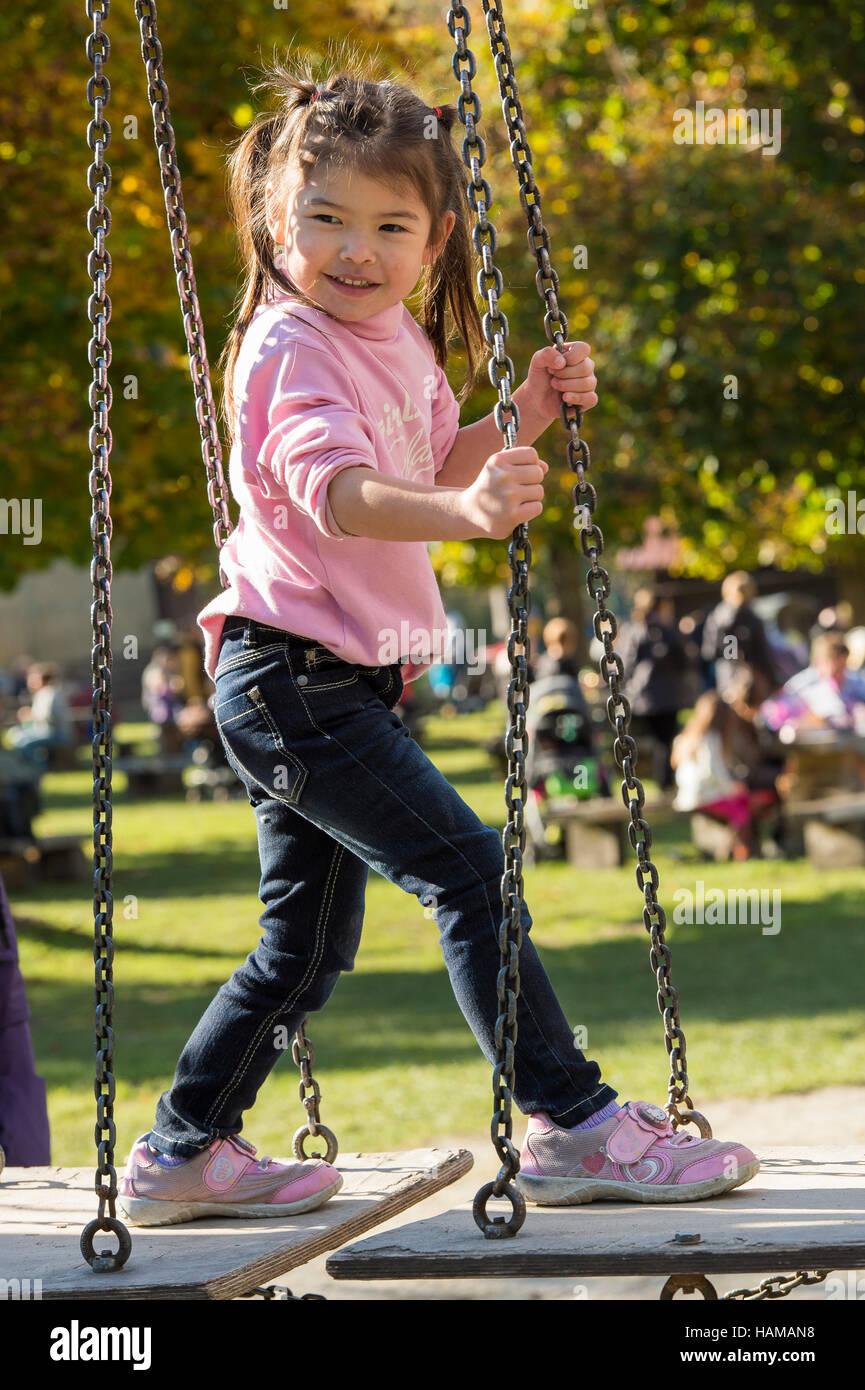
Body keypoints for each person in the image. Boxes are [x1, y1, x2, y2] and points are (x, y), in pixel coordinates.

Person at [119, 55, 757, 1225]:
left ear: (436, 237)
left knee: (302, 950)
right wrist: (466, 516)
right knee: (469, 870)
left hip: (332, 683)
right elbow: (343, 492)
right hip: (289, 680)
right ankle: (573, 1119)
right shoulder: (289, 344)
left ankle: (181, 1148)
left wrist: (519, 416)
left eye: (388, 225)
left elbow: (427, 463)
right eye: (325, 220)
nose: (354, 250)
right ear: (278, 217)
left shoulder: (394, 338)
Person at [671, 690, 779, 860]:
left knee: (747, 802)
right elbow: (711, 771)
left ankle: (740, 847)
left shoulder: (688, 737)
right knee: (744, 805)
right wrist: (731, 788)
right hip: (704, 795)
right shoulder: (711, 738)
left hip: (689, 795)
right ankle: (739, 849)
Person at [615, 588, 693, 790]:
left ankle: (663, 781)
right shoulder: (668, 631)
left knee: (659, 742)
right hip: (667, 696)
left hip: (643, 697)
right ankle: (666, 781)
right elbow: (685, 660)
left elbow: (626, 664)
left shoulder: (634, 631)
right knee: (665, 742)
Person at [760, 631, 865, 734]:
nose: (839, 675)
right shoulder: (799, 687)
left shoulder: (856, 681)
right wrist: (807, 721)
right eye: (835, 670)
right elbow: (770, 717)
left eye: (843, 667)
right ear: (819, 662)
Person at [701, 571, 781, 699]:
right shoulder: (728, 618)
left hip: (733, 677)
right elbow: (730, 653)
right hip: (738, 679)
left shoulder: (720, 615)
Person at [6, 663, 72, 767]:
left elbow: (48, 717)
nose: (30, 682)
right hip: (46, 731)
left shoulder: (49, 693)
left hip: (55, 733)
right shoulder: (43, 693)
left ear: (41, 679)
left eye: (33, 679)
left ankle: (39, 767)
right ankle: (31, 765)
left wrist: (29, 715)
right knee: (15, 734)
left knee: (25, 743)